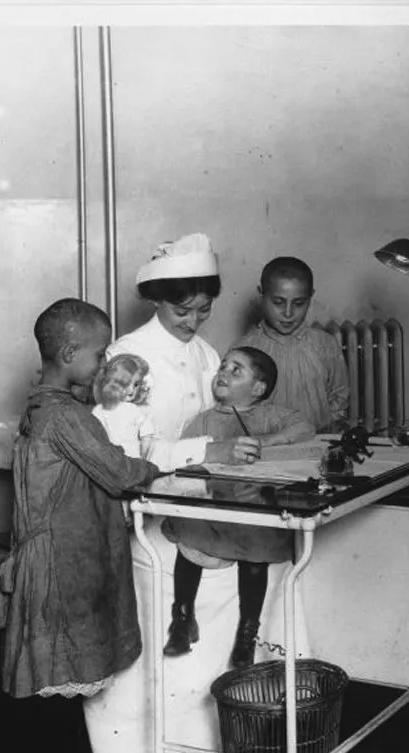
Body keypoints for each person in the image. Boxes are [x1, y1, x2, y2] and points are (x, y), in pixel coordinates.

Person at [0, 298, 161, 700]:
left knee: (61, 663)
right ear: (69, 354)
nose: (104, 364)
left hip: (57, 548)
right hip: (65, 558)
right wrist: (154, 468)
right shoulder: (69, 417)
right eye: (100, 354)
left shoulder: (41, 405)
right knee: (69, 661)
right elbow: (118, 473)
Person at [161, 346, 315, 667]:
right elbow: (185, 457)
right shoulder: (203, 420)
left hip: (253, 506)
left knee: (256, 542)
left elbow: (304, 428)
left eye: (236, 370)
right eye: (223, 367)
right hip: (214, 504)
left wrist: (265, 443)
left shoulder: (272, 415)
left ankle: (247, 633)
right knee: (188, 530)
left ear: (258, 389)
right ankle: (182, 618)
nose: (223, 374)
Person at [108, 233, 260, 470]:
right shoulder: (124, 356)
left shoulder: (208, 355)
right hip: (146, 493)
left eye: (204, 310)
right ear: (156, 300)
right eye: (182, 311)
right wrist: (206, 451)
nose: (193, 321)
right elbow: (122, 452)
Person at [236, 256, 350, 434]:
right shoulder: (244, 349)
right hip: (268, 447)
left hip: (317, 441)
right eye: (278, 302)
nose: (288, 313)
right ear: (262, 294)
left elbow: (339, 396)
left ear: (310, 297)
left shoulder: (325, 344)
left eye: (298, 303)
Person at [91, 352, 155, 460]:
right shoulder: (99, 411)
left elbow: (147, 436)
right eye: (125, 383)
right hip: (109, 460)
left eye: (136, 384)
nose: (131, 390)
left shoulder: (134, 410)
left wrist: (143, 456)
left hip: (131, 460)